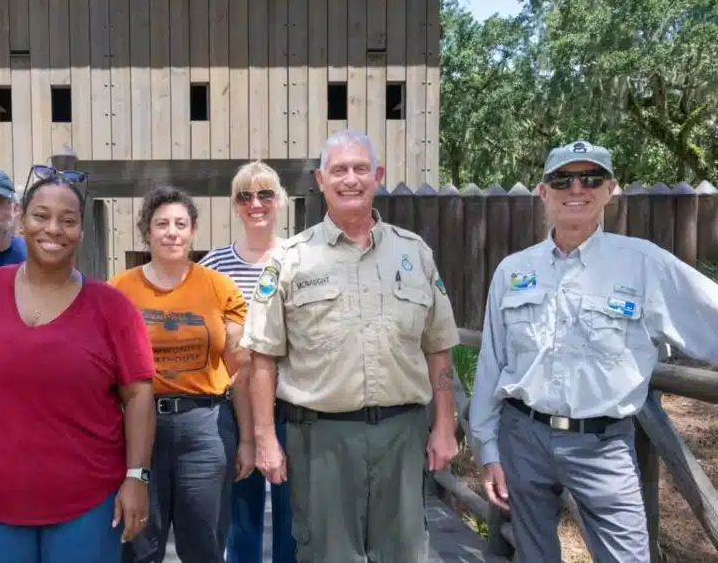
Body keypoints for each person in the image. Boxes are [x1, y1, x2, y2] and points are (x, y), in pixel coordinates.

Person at [468, 140, 718, 563]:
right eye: (562, 179)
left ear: (610, 190)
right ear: (543, 192)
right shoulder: (514, 271)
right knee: (532, 555)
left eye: (591, 177)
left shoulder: (645, 265)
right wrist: (487, 448)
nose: (576, 188)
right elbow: (492, 364)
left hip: (603, 445)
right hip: (523, 437)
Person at [239, 129, 461, 563]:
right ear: (321, 180)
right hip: (320, 440)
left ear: (377, 175)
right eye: (338, 170)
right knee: (327, 555)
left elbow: (439, 346)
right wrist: (265, 437)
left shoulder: (414, 254)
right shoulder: (291, 260)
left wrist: (445, 425)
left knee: (405, 554)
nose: (350, 179)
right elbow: (262, 356)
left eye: (361, 168)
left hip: (402, 435)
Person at [0, 164, 157, 563]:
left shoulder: (112, 307)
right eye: (41, 216)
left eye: (68, 220)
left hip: (87, 502)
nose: (53, 229)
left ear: (81, 232)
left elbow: (139, 393)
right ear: (22, 220)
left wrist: (137, 476)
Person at [110, 185, 255, 563]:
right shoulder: (119, 289)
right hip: (140, 428)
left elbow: (240, 368)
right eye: (162, 224)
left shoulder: (218, 286)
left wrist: (249, 440)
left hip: (205, 428)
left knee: (204, 545)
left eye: (180, 223)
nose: (172, 232)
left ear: (192, 231)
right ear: (147, 231)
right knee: (139, 543)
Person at [198, 161, 295, 563]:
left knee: (294, 514)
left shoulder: (300, 256)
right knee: (241, 515)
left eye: (265, 194)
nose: (256, 203)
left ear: (280, 201)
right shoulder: (215, 264)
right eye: (245, 196)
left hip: (293, 403)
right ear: (236, 206)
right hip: (234, 405)